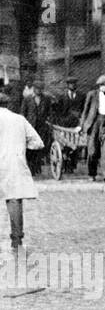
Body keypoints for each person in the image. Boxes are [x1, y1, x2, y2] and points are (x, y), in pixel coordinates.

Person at [0, 88, 44, 250]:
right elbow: (37, 142)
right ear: (7, 104)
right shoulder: (19, 119)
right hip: (13, 163)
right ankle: (16, 240)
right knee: (14, 200)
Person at [80, 74, 105, 181]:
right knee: (92, 150)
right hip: (94, 123)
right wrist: (81, 125)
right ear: (100, 85)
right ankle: (92, 174)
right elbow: (85, 110)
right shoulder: (92, 94)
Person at [20, 82, 51, 177]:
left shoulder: (46, 99)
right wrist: (23, 125)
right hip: (30, 126)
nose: (39, 90)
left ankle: (37, 167)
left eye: (41, 88)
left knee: (39, 146)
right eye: (37, 88)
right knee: (30, 148)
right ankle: (31, 168)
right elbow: (23, 113)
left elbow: (49, 112)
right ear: (33, 88)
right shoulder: (27, 99)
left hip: (41, 126)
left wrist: (48, 120)